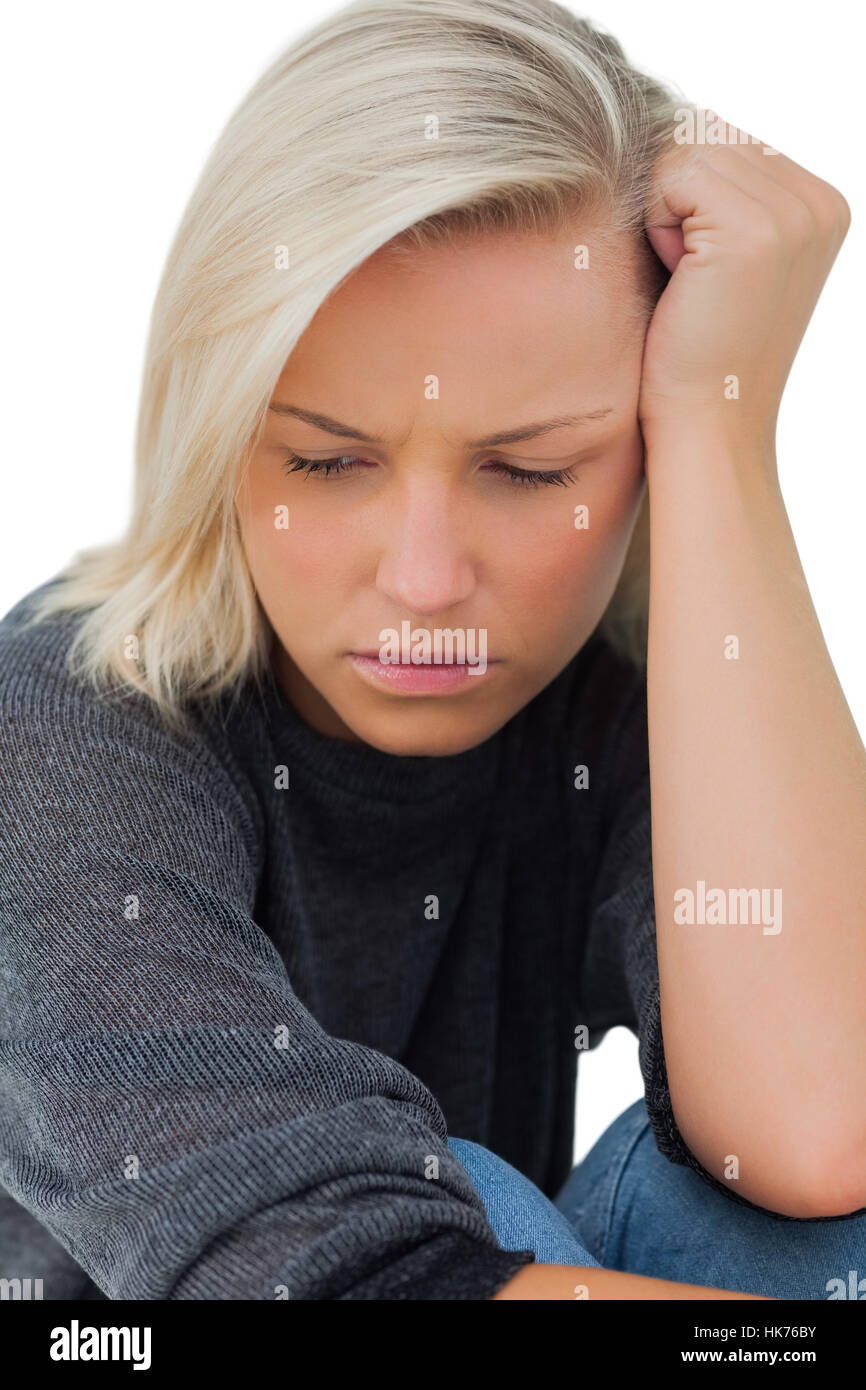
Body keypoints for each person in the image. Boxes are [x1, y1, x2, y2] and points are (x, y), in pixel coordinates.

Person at [1, 0, 863, 1301]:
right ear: (216, 430)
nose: (421, 580)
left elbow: (822, 1132)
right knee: (462, 1191)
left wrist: (720, 423)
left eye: (529, 470)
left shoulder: (613, 699)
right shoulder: (62, 725)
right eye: (325, 460)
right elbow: (353, 1282)